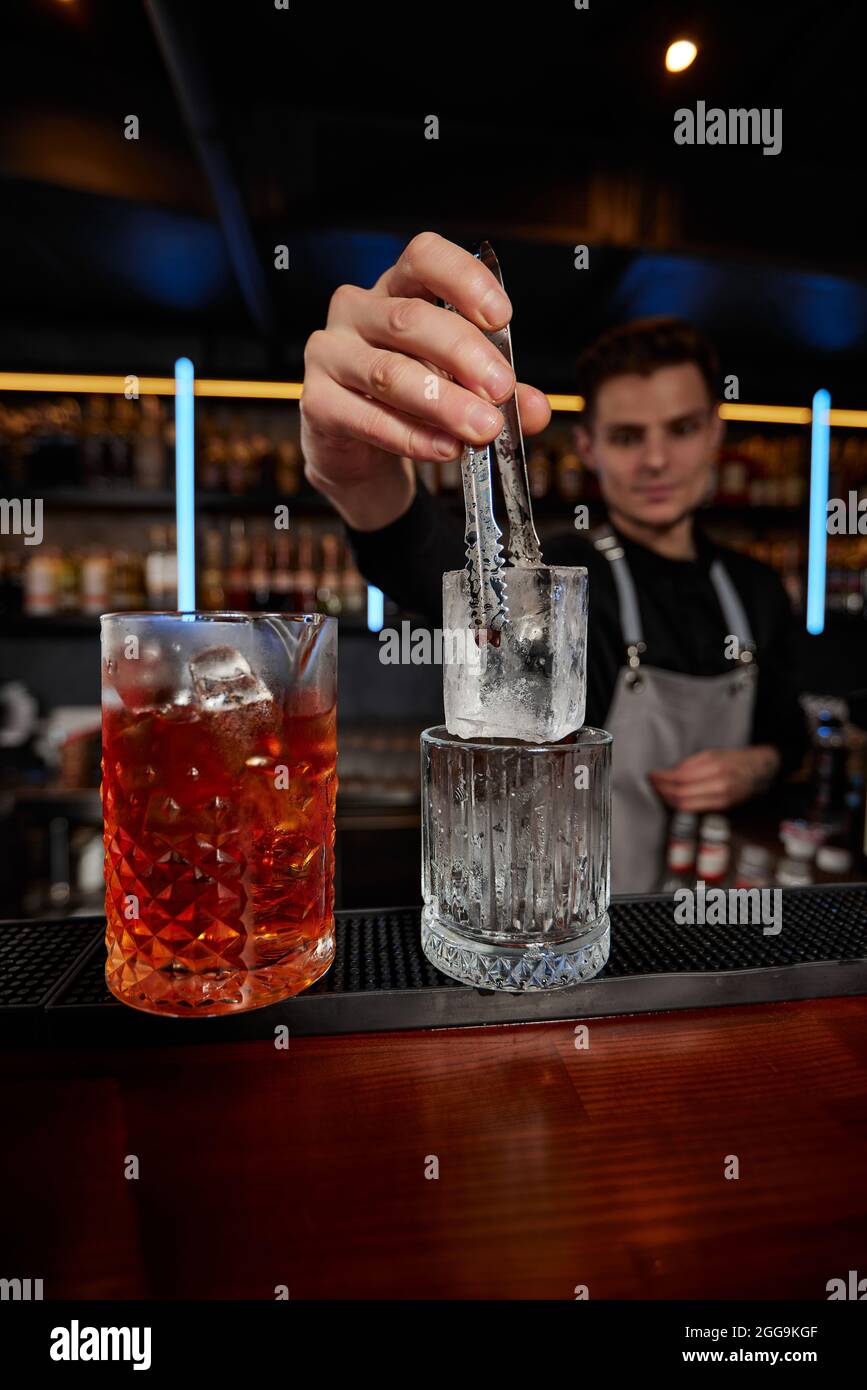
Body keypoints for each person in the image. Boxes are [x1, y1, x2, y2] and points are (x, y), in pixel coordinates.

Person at [300, 231, 807, 892]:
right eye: (627, 437)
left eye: (679, 429)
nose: (654, 460)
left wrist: (760, 765)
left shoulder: (757, 589)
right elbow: (418, 558)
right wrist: (360, 479)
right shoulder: (557, 576)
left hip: (718, 917)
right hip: (577, 924)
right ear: (589, 448)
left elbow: (791, 733)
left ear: (714, 433)